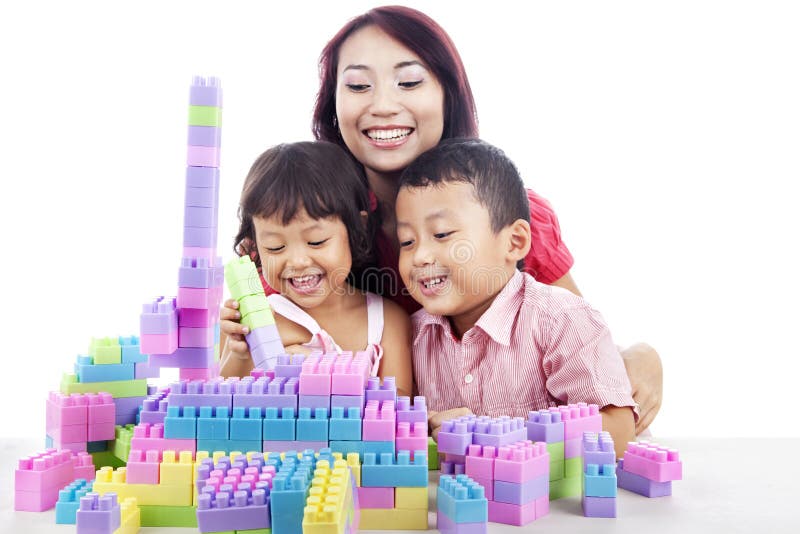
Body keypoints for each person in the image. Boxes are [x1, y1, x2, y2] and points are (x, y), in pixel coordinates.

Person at [310, 5, 662, 434]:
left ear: (447, 94)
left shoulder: (514, 215)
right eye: (359, 85)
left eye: (409, 81)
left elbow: (581, 342)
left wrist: (640, 355)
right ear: (334, 105)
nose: (383, 105)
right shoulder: (313, 230)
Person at [396, 138, 635, 457]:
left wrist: (496, 435)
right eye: (407, 241)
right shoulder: (410, 337)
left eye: (442, 234)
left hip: (557, 504)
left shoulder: (562, 320)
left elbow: (618, 431)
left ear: (514, 242)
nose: (421, 256)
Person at [218, 141, 413, 397]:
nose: (297, 261)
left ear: (358, 229)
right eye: (275, 247)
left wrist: (320, 375)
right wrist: (239, 353)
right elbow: (221, 403)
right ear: (255, 245)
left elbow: (399, 406)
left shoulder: (388, 321)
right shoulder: (250, 322)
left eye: (316, 242)